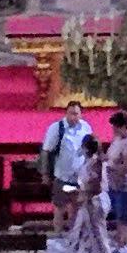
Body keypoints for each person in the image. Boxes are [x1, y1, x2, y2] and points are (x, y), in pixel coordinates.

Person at [47, 127, 114, 253]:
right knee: (75, 233)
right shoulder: (89, 161)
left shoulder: (96, 164)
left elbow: (95, 186)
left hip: (94, 203)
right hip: (86, 202)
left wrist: (79, 192)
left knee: (99, 235)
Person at [38, 97, 89, 236]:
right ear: (66, 113)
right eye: (71, 113)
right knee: (60, 208)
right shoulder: (57, 128)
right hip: (62, 176)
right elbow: (46, 151)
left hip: (79, 177)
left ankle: (73, 235)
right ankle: (58, 235)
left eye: (76, 113)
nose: (74, 116)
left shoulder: (86, 127)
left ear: (81, 114)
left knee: (76, 207)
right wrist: (45, 173)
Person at [102, 110, 127, 250]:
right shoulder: (119, 137)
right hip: (115, 183)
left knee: (126, 215)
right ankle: (120, 238)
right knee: (119, 213)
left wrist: (109, 168)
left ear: (124, 126)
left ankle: (126, 242)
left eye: (115, 126)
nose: (113, 129)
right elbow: (111, 156)